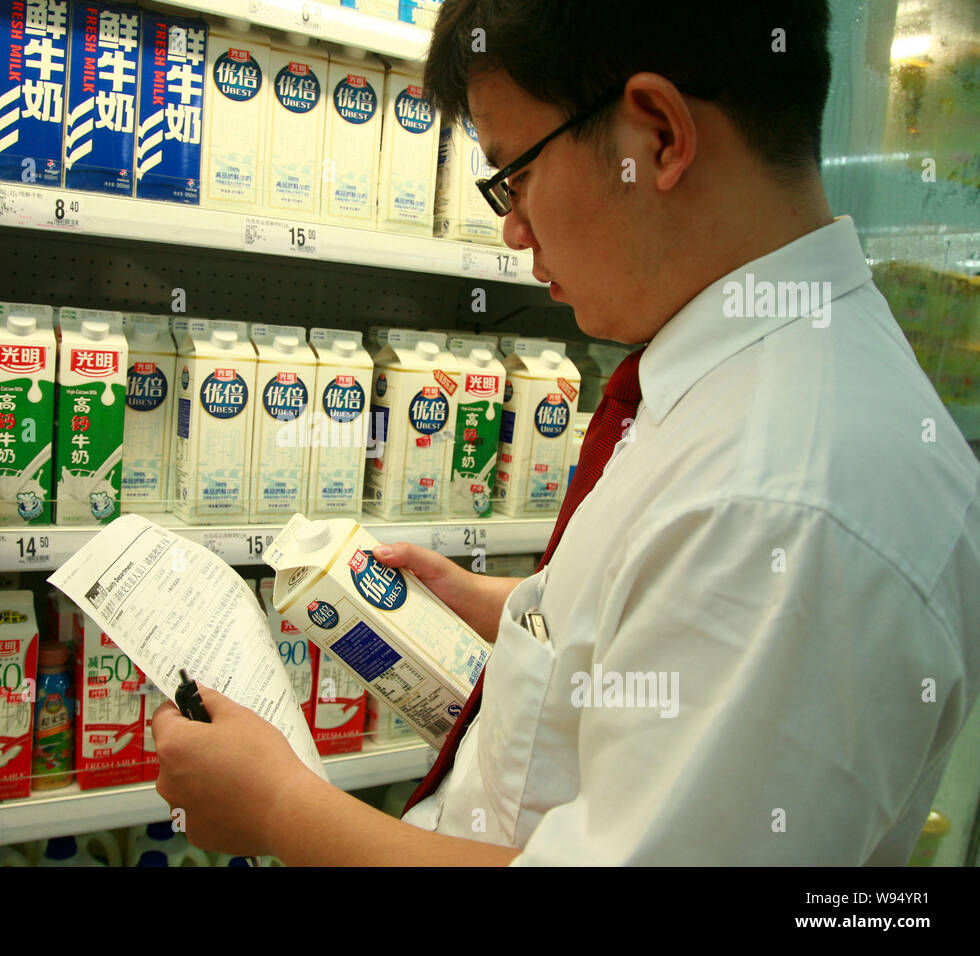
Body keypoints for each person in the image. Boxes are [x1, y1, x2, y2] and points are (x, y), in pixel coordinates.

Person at [151, 0, 980, 865]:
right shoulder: (739, 395)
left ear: (658, 134)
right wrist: (508, 609)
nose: (512, 229)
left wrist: (279, 810)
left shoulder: (788, 502)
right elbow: (668, 615)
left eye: (515, 174)